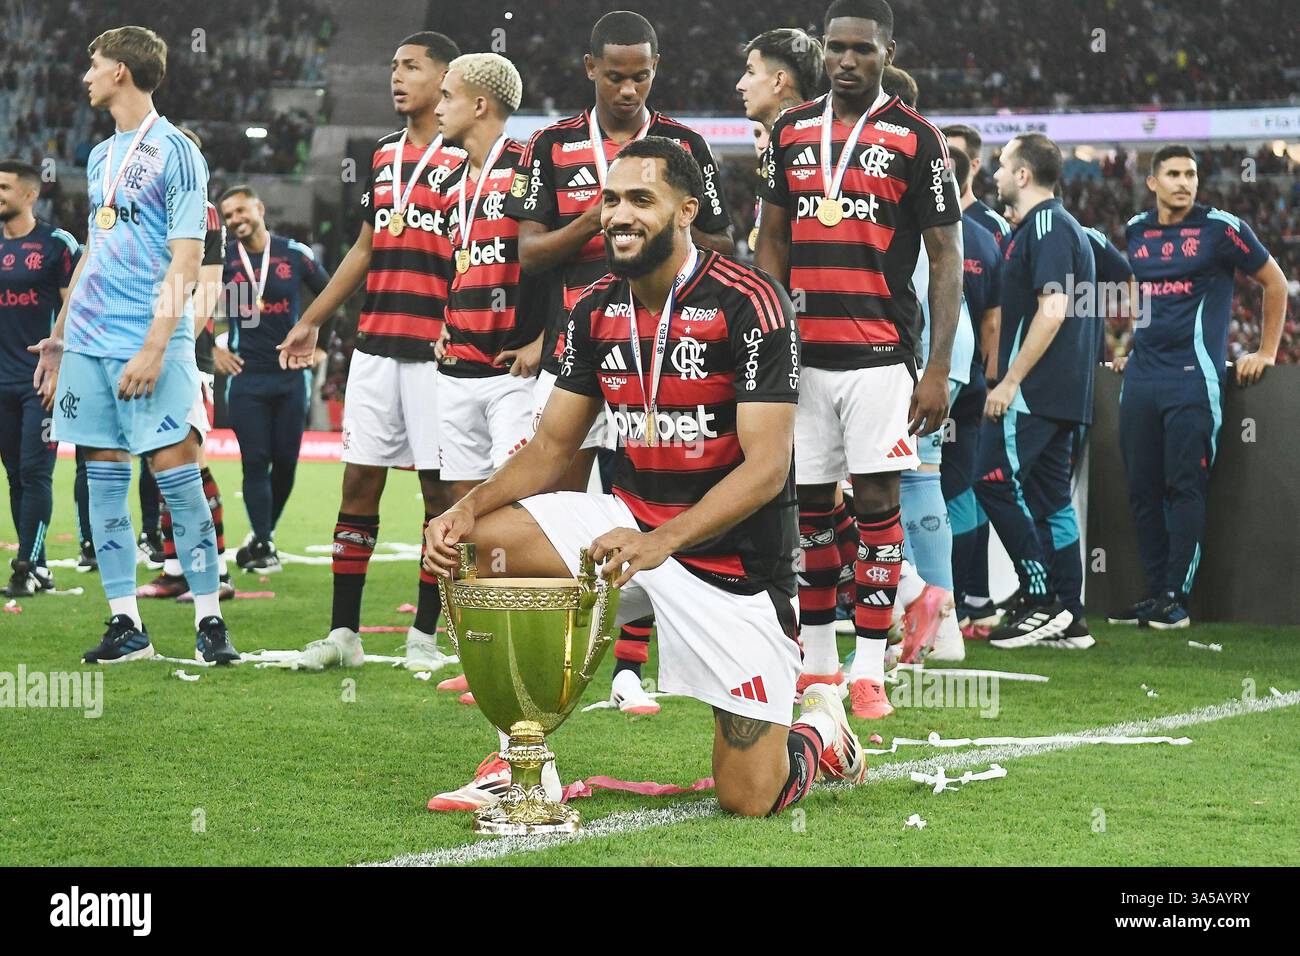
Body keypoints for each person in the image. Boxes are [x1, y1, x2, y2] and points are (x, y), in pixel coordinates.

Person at [428, 137, 865, 817]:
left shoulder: (750, 302)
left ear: (686, 210)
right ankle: (521, 755)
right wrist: (466, 507)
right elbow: (549, 447)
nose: (618, 216)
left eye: (640, 200)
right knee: (487, 540)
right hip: (627, 538)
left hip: (734, 568)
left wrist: (665, 542)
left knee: (749, 799)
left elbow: (767, 467)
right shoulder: (593, 307)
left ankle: (821, 731)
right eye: (609, 200)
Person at [501, 10, 734, 715]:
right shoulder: (548, 143)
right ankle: (549, 659)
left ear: (655, 72)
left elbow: (716, 238)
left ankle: (631, 668)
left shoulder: (685, 144)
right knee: (554, 507)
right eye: (615, 75)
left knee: (648, 505)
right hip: (577, 354)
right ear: (589, 70)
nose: (628, 89)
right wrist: (607, 212)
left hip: (661, 361)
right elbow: (528, 253)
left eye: (641, 76)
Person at [755, 0, 963, 717]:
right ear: (823, 49)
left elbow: (945, 258)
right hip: (803, 359)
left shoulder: (917, 139)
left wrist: (935, 369)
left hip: (880, 355)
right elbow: (771, 242)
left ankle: (869, 667)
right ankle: (816, 663)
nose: (847, 61)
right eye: (836, 48)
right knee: (811, 509)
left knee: (876, 505)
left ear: (887, 51)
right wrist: (767, 336)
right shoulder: (788, 130)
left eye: (862, 50)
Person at [33, 26, 238, 664]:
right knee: (100, 483)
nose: (86, 77)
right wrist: (61, 336)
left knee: (177, 479)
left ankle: (209, 621)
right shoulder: (100, 156)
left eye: (93, 65)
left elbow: (188, 255)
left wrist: (155, 346)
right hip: (90, 339)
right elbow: (96, 246)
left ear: (120, 70)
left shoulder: (179, 151)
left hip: (151, 338)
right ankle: (126, 622)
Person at [276, 32, 465, 672]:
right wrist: (311, 319)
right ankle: (344, 635)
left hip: (440, 353)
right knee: (358, 482)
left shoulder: (472, 157)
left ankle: (426, 637)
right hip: (376, 345)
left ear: (447, 79)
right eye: (393, 64)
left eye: (411, 66)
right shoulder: (385, 154)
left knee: (441, 496)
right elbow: (365, 248)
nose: (396, 76)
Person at [1111, 144, 1287, 628]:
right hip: (1143, 378)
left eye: (1190, 174)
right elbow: (1145, 299)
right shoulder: (1136, 231)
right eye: (1172, 174)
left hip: (1194, 378)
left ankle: (1176, 598)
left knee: (1183, 486)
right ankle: (1152, 594)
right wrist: (1131, 347)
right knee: (1142, 489)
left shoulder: (1222, 228)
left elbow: (1275, 282)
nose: (1184, 182)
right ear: (1152, 182)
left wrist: (1267, 352)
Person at [975, 132, 1099, 649]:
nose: (997, 175)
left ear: (1023, 175)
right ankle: (1069, 611)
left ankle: (1040, 592)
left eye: (1003, 166)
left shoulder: (1045, 224)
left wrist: (1009, 380)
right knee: (1051, 499)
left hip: (1035, 392)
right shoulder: (1054, 228)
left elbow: (1053, 309)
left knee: (991, 479)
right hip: (1064, 392)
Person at [136, 125, 234, 603]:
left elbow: (208, 291)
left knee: (188, 463)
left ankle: (213, 572)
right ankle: (177, 567)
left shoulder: (204, 212)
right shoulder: (147, 209)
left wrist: (169, 348)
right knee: (165, 465)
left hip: (181, 354)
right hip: (144, 347)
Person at [217, 183, 332, 573]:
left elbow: (331, 294)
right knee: (256, 460)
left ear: (260, 208)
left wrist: (321, 346)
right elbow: (187, 302)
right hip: (246, 375)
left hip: (290, 375)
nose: (235, 221)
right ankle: (264, 543)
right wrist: (211, 349)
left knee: (285, 462)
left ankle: (262, 535)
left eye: (240, 211)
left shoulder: (293, 253)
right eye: (228, 216)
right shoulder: (222, 258)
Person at [0, 159, 79, 596]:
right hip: (1, 383)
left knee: (35, 472)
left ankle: (26, 566)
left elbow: (78, 307)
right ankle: (38, 565)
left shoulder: (57, 244)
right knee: (15, 474)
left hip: (40, 381)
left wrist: (62, 360)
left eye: (5, 187)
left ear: (30, 195)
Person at [944, 147, 1001, 640]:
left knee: (910, 489)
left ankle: (938, 604)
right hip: (972, 382)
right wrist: (987, 375)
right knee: (961, 490)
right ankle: (968, 601)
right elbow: (994, 321)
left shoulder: (924, 234)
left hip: (928, 376)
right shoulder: (986, 240)